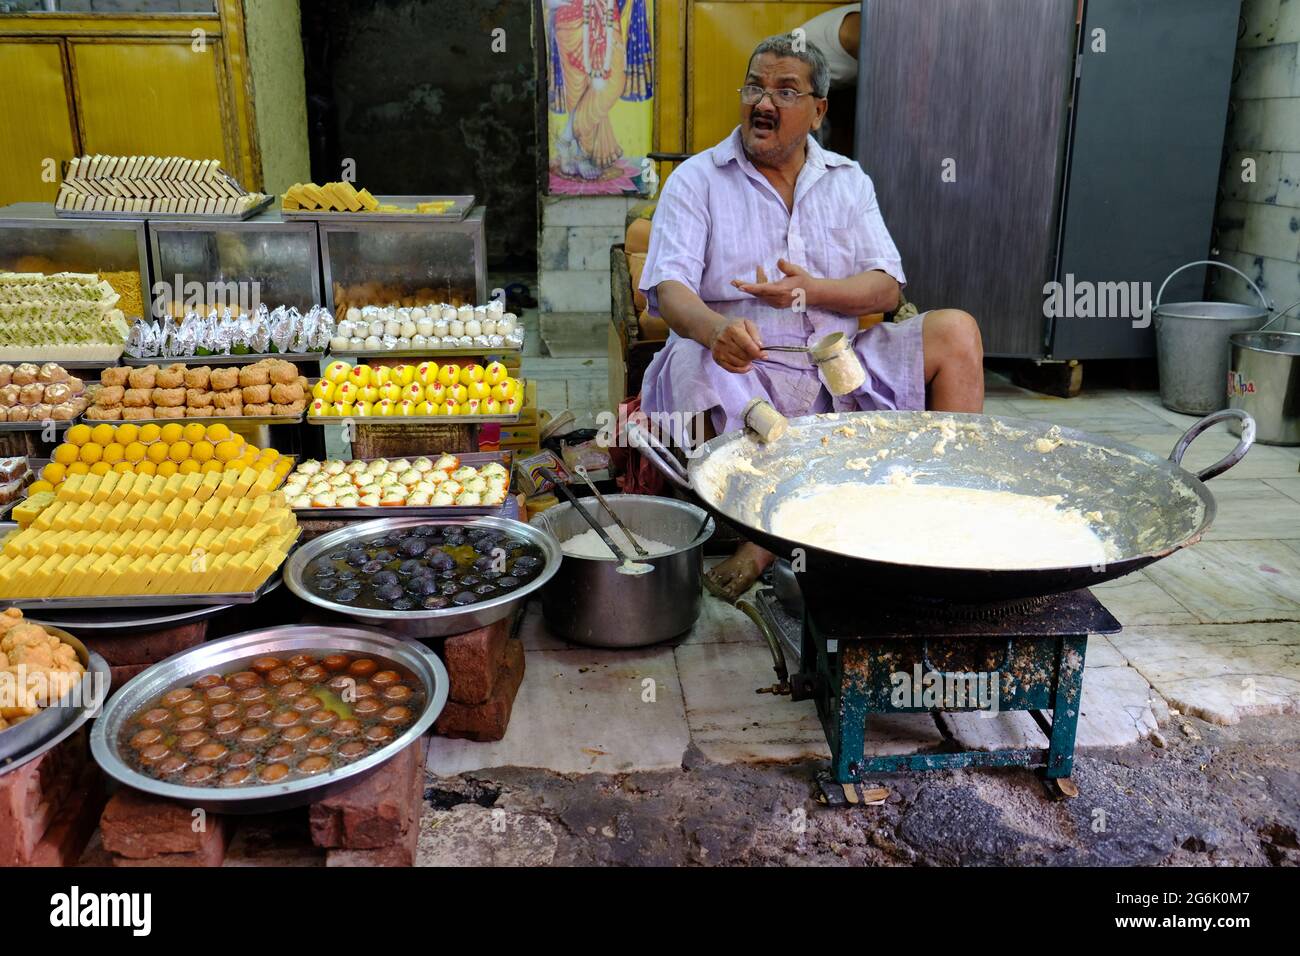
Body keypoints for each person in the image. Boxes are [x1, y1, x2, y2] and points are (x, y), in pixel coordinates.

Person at [636, 34, 983, 602]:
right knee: (688, 359)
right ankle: (763, 529)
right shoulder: (697, 180)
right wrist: (715, 329)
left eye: (784, 91)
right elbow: (669, 287)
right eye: (755, 87)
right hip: (742, 366)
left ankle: (944, 509)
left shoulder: (848, 181)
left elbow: (887, 287)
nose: (763, 103)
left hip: (838, 367)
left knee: (956, 332)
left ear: (818, 110)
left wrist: (815, 289)